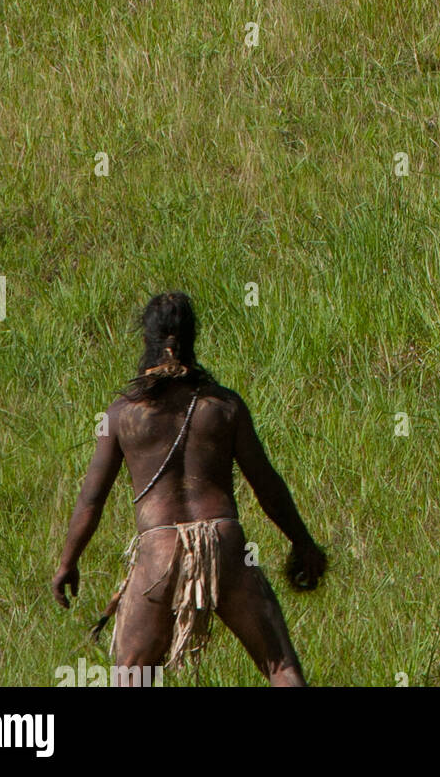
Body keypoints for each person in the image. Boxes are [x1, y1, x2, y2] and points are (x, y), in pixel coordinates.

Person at [51, 291, 327, 685]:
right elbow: (266, 484)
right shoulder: (224, 407)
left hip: (158, 552)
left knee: (131, 678)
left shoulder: (121, 415)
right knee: (280, 667)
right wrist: (302, 543)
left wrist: (67, 562)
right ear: (192, 338)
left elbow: (90, 500)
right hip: (226, 544)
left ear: (146, 339)